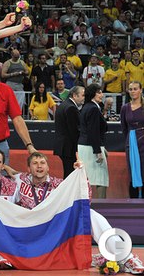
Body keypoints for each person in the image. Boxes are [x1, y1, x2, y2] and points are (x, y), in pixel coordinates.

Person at [11, 152, 144, 274]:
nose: (39, 166)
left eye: (42, 163)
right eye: (35, 163)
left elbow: (85, 201)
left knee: (90, 214)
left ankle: (125, 257)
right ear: (28, 169)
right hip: (33, 237)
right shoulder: (20, 181)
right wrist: (5, 168)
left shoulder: (59, 184)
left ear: (48, 168)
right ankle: (97, 258)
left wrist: (81, 174)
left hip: (57, 234)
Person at [77, 83, 108, 199]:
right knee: (101, 179)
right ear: (93, 94)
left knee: (86, 179)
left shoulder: (87, 107)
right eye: (99, 92)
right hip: (91, 148)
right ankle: (102, 206)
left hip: (86, 146)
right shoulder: (93, 108)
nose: (102, 95)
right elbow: (93, 131)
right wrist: (98, 151)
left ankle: (85, 205)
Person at [54, 86, 85, 178]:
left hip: (64, 146)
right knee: (70, 175)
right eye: (83, 95)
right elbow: (74, 131)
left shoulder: (64, 105)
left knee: (69, 174)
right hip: (69, 148)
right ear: (74, 95)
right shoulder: (71, 108)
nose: (84, 98)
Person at [120, 81, 144, 199]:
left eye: (135, 89)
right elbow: (124, 127)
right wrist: (130, 141)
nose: (133, 91)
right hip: (132, 142)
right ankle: (133, 203)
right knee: (133, 171)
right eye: (131, 89)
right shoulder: (125, 108)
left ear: (141, 90)